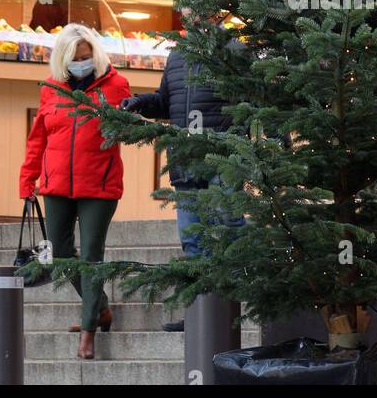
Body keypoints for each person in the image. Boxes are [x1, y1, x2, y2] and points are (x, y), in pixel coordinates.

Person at [20, 22, 131, 359]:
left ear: (94, 55)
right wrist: (27, 179)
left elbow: (125, 130)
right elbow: (39, 136)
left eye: (86, 57)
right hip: (56, 185)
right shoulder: (51, 87)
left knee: (91, 257)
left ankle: (88, 332)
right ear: (63, 60)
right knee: (57, 255)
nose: (81, 63)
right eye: (74, 59)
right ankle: (100, 308)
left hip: (98, 185)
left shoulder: (116, 85)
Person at [122, 42, 244, 330]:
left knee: (227, 226)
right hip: (185, 160)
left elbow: (254, 97)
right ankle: (201, 312)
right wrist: (141, 102)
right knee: (192, 240)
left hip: (222, 157)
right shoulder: (177, 56)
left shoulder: (233, 51)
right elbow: (166, 101)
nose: (193, 11)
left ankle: (232, 306)